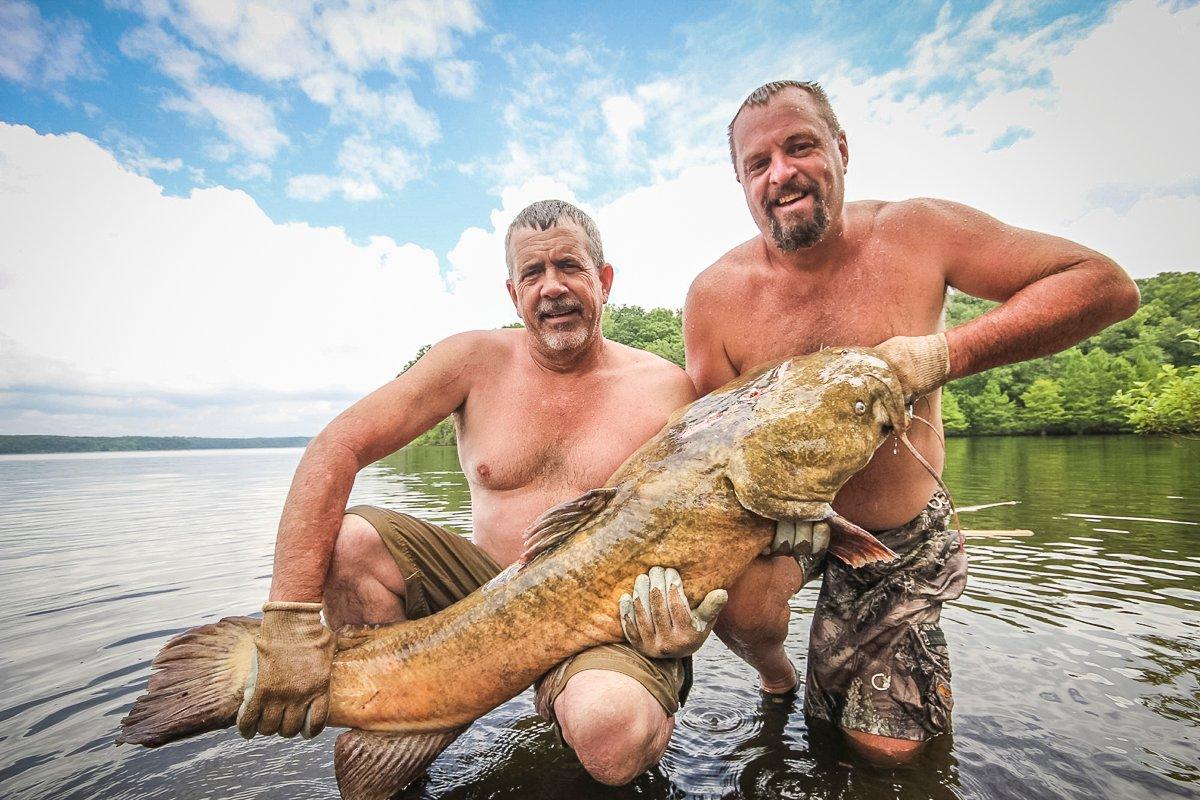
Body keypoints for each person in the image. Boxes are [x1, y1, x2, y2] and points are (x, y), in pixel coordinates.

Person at [684, 80, 1140, 766]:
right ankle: (776, 675)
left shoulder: (919, 229)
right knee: (737, 602)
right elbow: (711, 458)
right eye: (758, 163)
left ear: (840, 150)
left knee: (885, 758)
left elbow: (1105, 284)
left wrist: (941, 355)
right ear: (742, 183)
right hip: (792, 519)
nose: (781, 173)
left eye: (800, 145)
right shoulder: (712, 298)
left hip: (897, 530)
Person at [235, 199, 724, 786]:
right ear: (511, 293)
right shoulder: (471, 361)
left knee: (609, 730)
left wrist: (688, 617)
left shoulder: (667, 390)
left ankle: (588, 698)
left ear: (605, 279)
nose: (552, 288)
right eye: (532, 274)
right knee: (349, 542)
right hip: (485, 598)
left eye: (570, 266)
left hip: (609, 614)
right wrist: (288, 615)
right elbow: (336, 446)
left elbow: (716, 513)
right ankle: (397, 732)